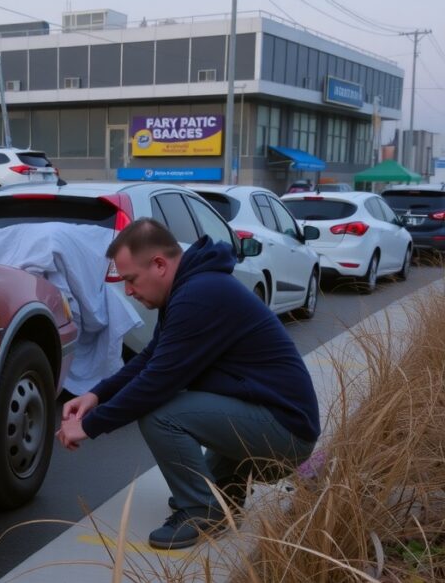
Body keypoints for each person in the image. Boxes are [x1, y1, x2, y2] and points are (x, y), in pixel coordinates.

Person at [56, 219, 320, 550]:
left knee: (160, 413)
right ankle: (226, 491)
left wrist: (91, 425)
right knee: (187, 405)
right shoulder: (193, 288)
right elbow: (150, 357)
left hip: (286, 436)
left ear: (159, 265)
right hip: (278, 422)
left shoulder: (199, 294)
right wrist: (95, 395)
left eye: (130, 279)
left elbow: (156, 383)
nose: (128, 291)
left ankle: (202, 511)